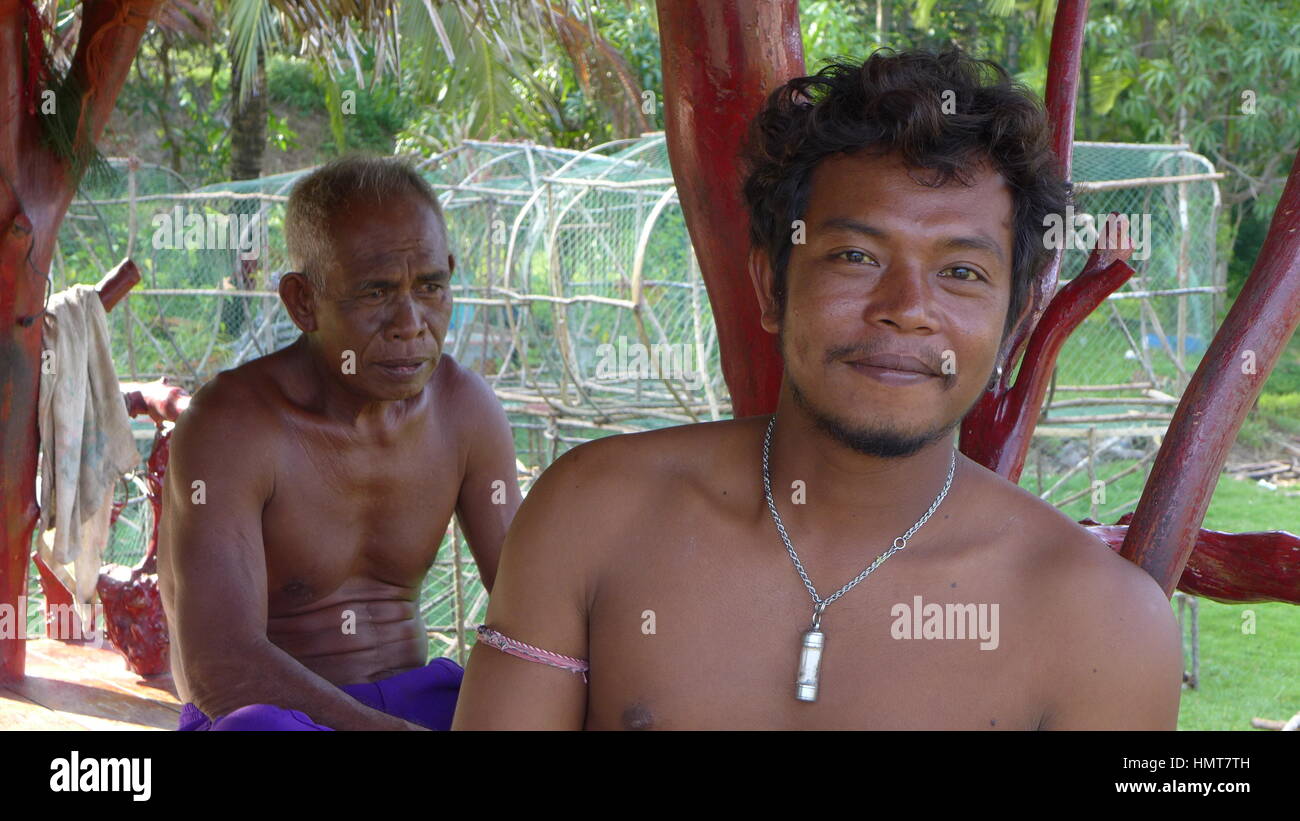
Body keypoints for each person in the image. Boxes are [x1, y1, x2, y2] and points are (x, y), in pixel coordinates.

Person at [452, 49, 1183, 730]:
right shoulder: (593, 514)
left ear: (1014, 324)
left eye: (961, 272)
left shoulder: (1104, 627)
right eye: (856, 255)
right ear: (772, 284)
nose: (906, 305)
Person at [160, 157, 522, 731]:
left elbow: (534, 604)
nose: (411, 322)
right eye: (376, 292)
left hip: (418, 702)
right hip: (282, 718)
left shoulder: (465, 407)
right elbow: (219, 667)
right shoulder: (234, 425)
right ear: (303, 301)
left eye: (430, 286)